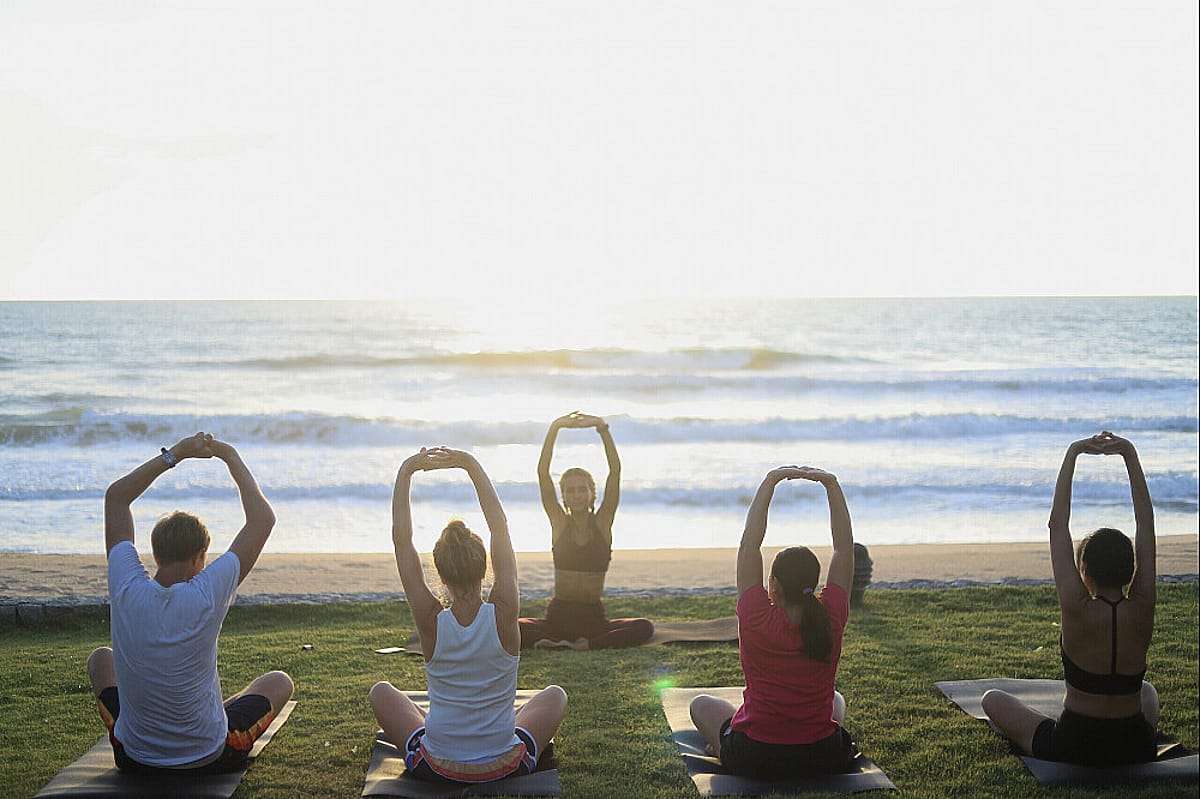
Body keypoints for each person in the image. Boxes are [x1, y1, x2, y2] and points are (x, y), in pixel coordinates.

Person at [87, 433, 294, 774]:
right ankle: (215, 718)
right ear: (200, 557)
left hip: (134, 757)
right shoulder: (206, 594)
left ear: (156, 553)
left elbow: (117, 497)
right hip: (209, 755)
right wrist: (228, 455)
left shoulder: (126, 585)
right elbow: (262, 520)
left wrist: (177, 454)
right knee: (279, 682)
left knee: (100, 659)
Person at [370, 447, 567, 785]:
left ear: (441, 574)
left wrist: (406, 471)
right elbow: (499, 527)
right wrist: (469, 463)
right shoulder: (505, 612)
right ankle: (493, 732)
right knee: (556, 695)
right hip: (505, 764)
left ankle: (445, 732)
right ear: (483, 568)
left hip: (436, 766)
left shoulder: (430, 620)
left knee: (381, 691)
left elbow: (402, 541)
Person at [981, 432, 1160, 766]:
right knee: (1147, 692)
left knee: (993, 699)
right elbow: (1145, 524)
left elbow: (1057, 526)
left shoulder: (1076, 607)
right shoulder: (1143, 605)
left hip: (1075, 744)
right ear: (1130, 567)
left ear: (1085, 570)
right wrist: (1129, 456)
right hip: (1135, 744)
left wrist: (1073, 453)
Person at [689, 465, 858, 778]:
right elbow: (844, 550)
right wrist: (831, 486)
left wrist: (771, 480)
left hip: (755, 756)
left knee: (700, 705)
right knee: (835, 699)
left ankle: (722, 746)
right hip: (823, 756)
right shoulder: (831, 613)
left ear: (773, 587)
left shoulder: (755, 614)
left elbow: (748, 546)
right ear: (815, 584)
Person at [518, 412, 654, 650]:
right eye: (570, 491)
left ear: (593, 493)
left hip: (592, 618)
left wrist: (602, 429)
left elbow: (615, 472)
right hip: (558, 618)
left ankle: (581, 644)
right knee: (503, 626)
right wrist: (554, 428)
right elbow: (542, 473)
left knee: (644, 627)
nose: (577, 495)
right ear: (564, 496)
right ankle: (575, 643)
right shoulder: (559, 523)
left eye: (582, 490)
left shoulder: (602, 523)